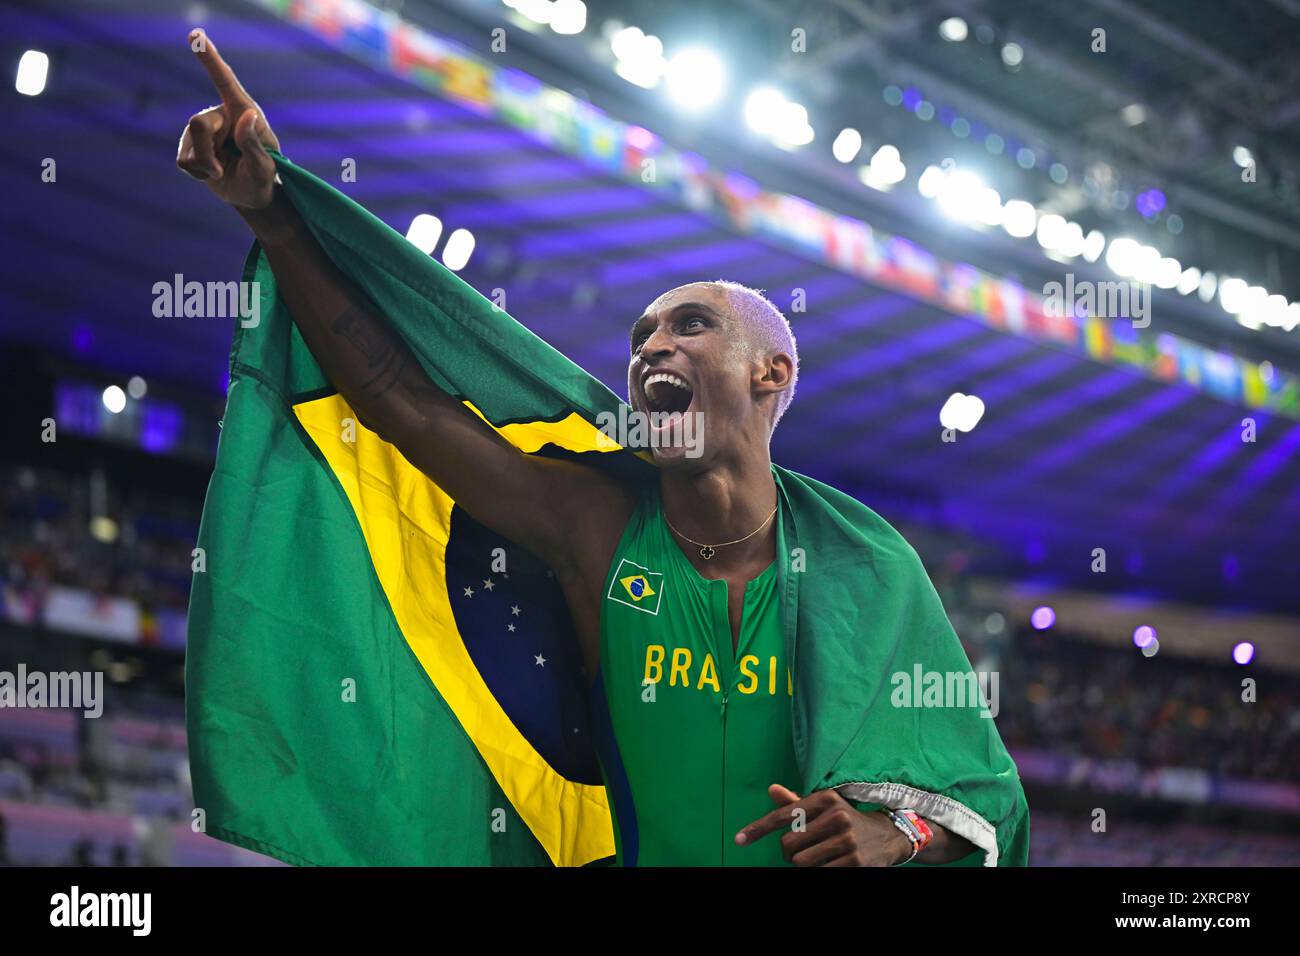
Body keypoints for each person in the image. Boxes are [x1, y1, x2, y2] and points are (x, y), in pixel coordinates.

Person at [176, 31, 1018, 866]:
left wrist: (903, 833)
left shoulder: (867, 566)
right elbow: (405, 404)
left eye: (692, 326)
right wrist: (272, 212)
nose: (653, 348)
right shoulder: (598, 528)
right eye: (642, 335)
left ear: (772, 372)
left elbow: (982, 791)